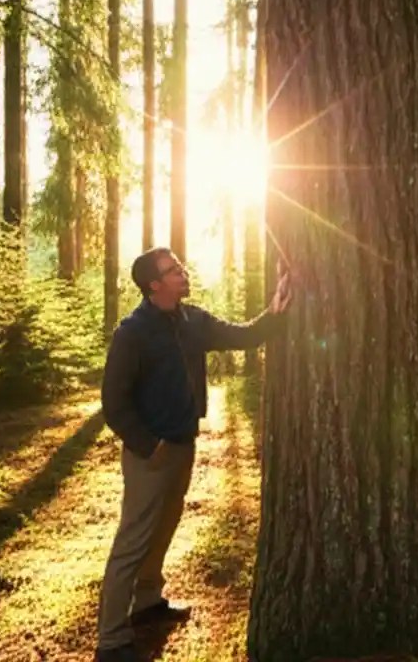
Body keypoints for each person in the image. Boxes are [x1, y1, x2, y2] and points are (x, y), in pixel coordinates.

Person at [94, 247, 292, 662]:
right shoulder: (132, 332)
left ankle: (147, 603)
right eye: (173, 270)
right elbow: (114, 402)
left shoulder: (192, 320)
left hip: (183, 445)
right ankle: (111, 641)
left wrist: (274, 312)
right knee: (133, 541)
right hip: (150, 454)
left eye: (181, 266)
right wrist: (151, 446)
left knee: (165, 527)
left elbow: (242, 336)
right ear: (154, 285)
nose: (183, 273)